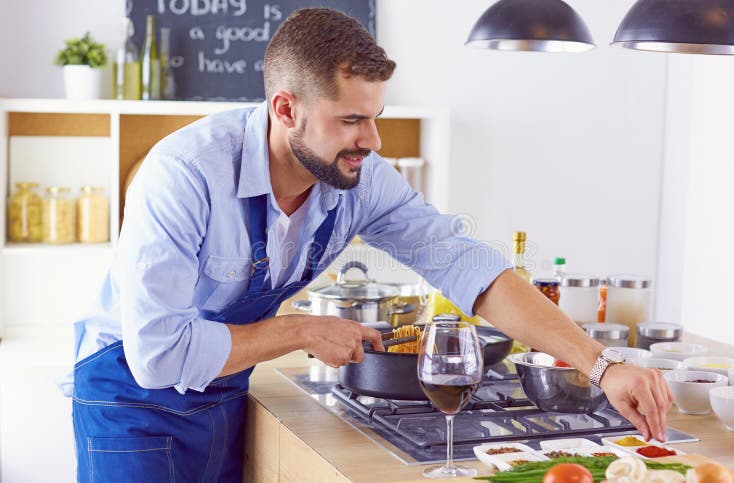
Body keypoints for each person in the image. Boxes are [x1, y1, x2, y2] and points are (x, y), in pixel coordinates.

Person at [66, 7, 673, 482]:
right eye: (351, 120)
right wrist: (300, 330)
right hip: (131, 401)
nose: (373, 139)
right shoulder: (185, 173)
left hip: (224, 389)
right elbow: (157, 353)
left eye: (377, 115)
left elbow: (470, 269)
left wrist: (603, 365)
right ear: (286, 109)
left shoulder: (359, 179)